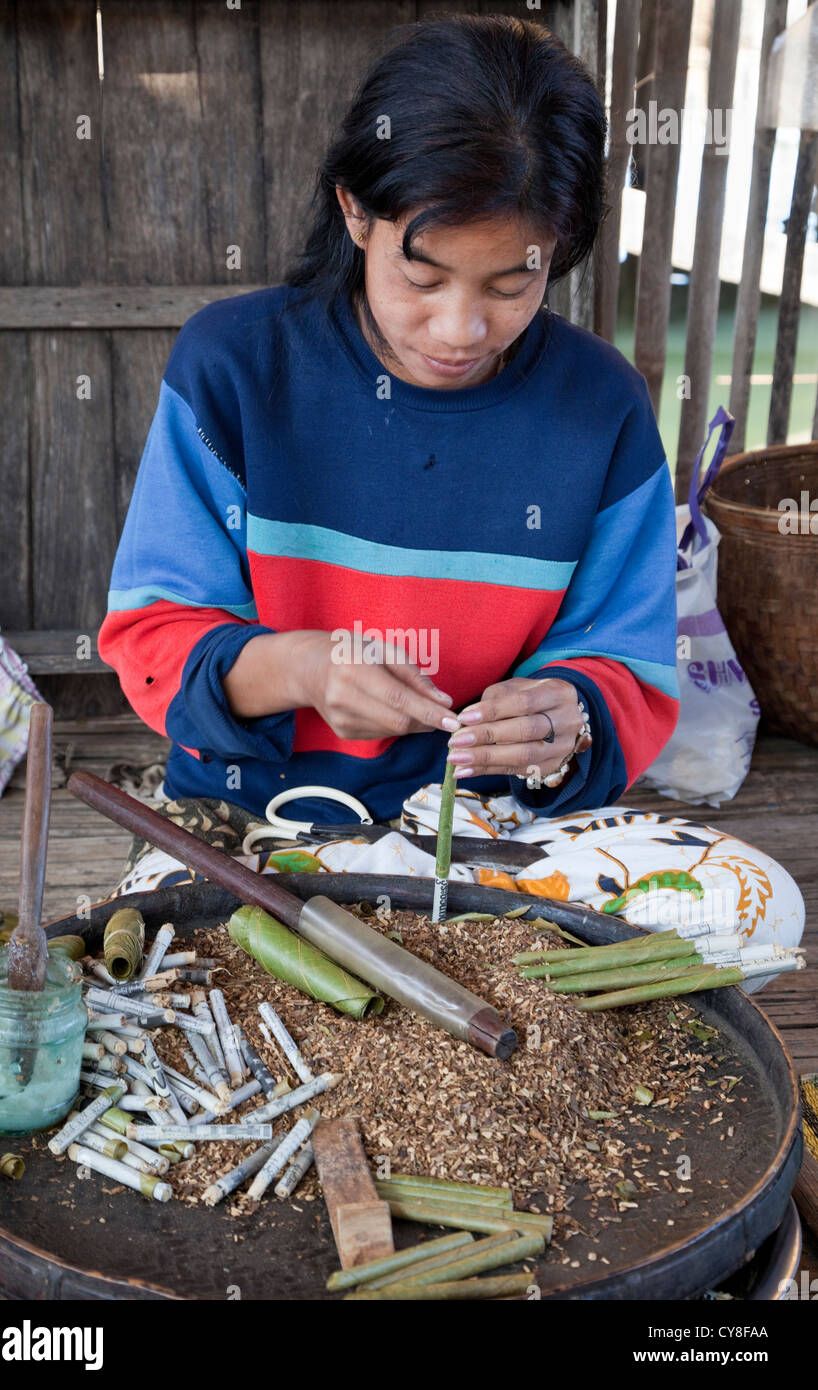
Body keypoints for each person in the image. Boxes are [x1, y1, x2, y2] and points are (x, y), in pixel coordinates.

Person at [97, 15, 803, 978]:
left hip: (492, 831)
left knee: (755, 923)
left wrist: (568, 718)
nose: (462, 329)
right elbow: (151, 640)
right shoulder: (234, 366)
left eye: (515, 282)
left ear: (561, 247)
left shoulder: (600, 408)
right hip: (252, 819)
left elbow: (628, 672)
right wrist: (300, 669)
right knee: (151, 987)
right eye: (421, 276)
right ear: (355, 212)